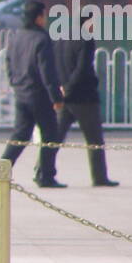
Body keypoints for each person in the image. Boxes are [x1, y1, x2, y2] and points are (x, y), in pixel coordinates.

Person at [0, 0, 65, 188]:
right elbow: (47, 72)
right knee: (50, 135)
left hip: (21, 93)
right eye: (43, 16)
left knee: (20, 135)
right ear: (38, 18)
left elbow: (8, 62)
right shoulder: (42, 39)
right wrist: (56, 97)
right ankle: (45, 175)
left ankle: (2, 168)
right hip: (39, 95)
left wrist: (14, 82)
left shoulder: (17, 36)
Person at [53, 14, 118, 186]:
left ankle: (43, 171)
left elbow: (56, 64)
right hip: (84, 98)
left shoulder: (61, 38)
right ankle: (99, 177)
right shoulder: (85, 40)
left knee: (55, 138)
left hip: (65, 97)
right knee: (95, 139)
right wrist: (69, 86)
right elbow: (82, 68)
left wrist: (62, 87)